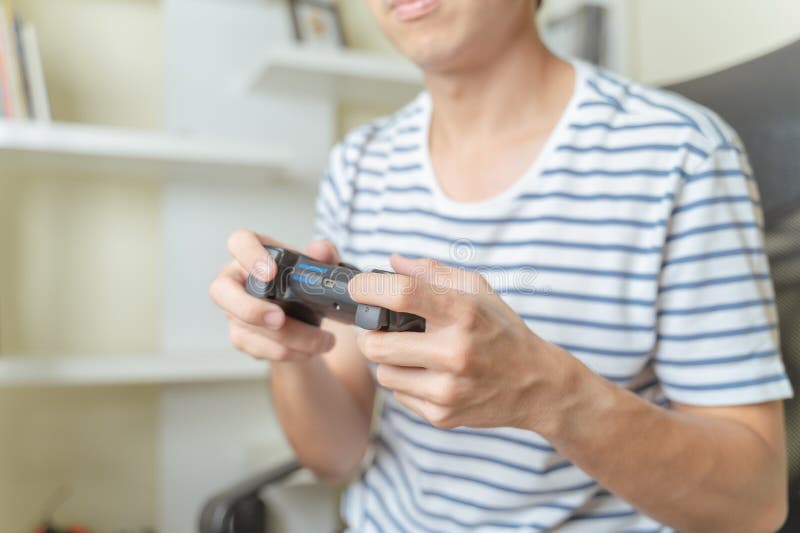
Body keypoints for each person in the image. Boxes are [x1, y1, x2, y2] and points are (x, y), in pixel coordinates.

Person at [208, 1, 793, 531]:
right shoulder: (358, 163)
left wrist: (552, 395)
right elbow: (333, 457)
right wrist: (287, 339)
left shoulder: (684, 154)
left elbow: (754, 505)